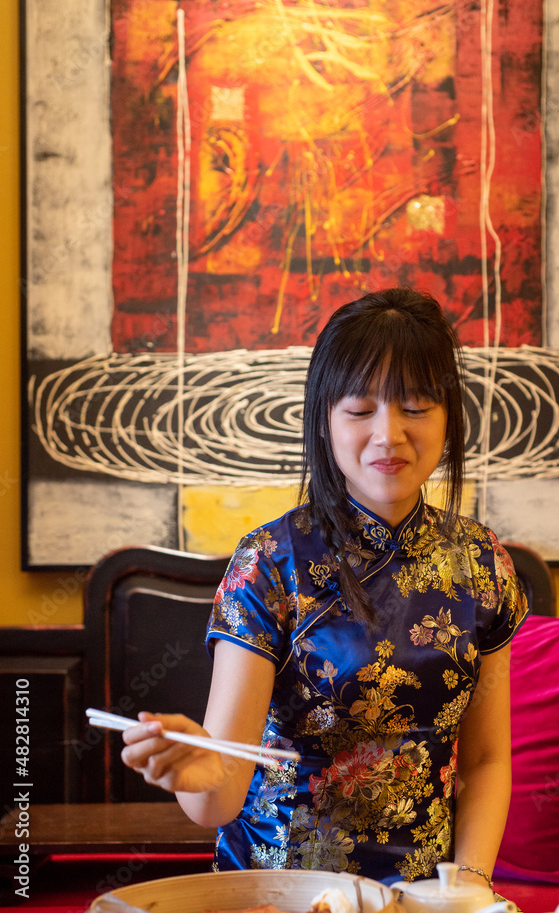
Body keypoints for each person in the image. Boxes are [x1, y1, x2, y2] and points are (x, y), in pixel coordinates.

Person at [120, 287, 529, 886]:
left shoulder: (483, 562)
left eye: (415, 407)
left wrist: (467, 886)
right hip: (282, 892)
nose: (388, 434)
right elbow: (219, 798)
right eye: (361, 410)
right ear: (325, 420)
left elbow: (488, 760)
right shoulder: (269, 562)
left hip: (423, 899)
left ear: (448, 416)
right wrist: (196, 767)